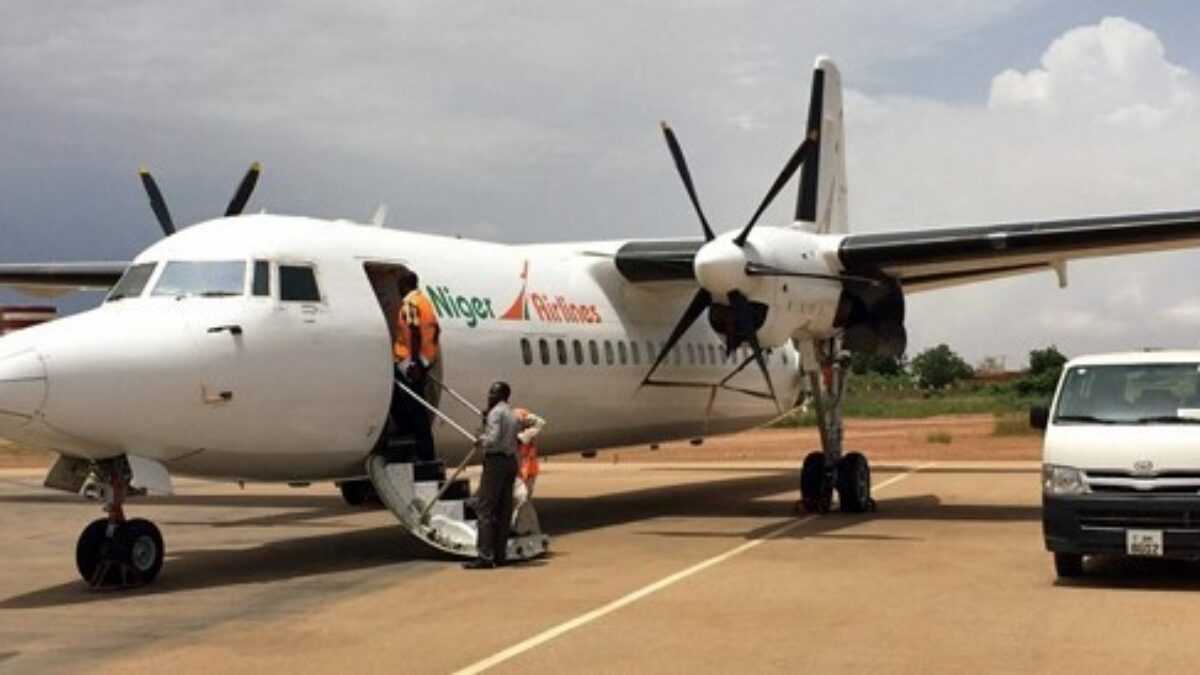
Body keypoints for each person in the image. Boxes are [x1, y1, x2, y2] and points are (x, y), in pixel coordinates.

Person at [464, 381, 520, 569]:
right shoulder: (511, 413)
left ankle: (485, 555)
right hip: (511, 461)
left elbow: (493, 438)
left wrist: (481, 440)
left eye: (492, 393)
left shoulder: (496, 412)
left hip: (496, 462)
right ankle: (500, 554)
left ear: (501, 395)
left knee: (485, 508)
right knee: (504, 510)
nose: (489, 396)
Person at [390, 269, 441, 463]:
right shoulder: (424, 302)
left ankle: (414, 443)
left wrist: (414, 361)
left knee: (400, 398)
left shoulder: (410, 304)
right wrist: (428, 359)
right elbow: (436, 331)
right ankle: (419, 446)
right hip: (425, 359)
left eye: (399, 287)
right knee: (416, 405)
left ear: (404, 286)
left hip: (409, 361)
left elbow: (414, 332)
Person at [511, 407, 546, 534]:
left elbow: (541, 422)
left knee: (523, 501)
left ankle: (527, 530)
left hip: (527, 474)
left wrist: (526, 417)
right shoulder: (519, 435)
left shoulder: (524, 435)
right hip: (521, 473)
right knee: (522, 502)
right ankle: (523, 529)